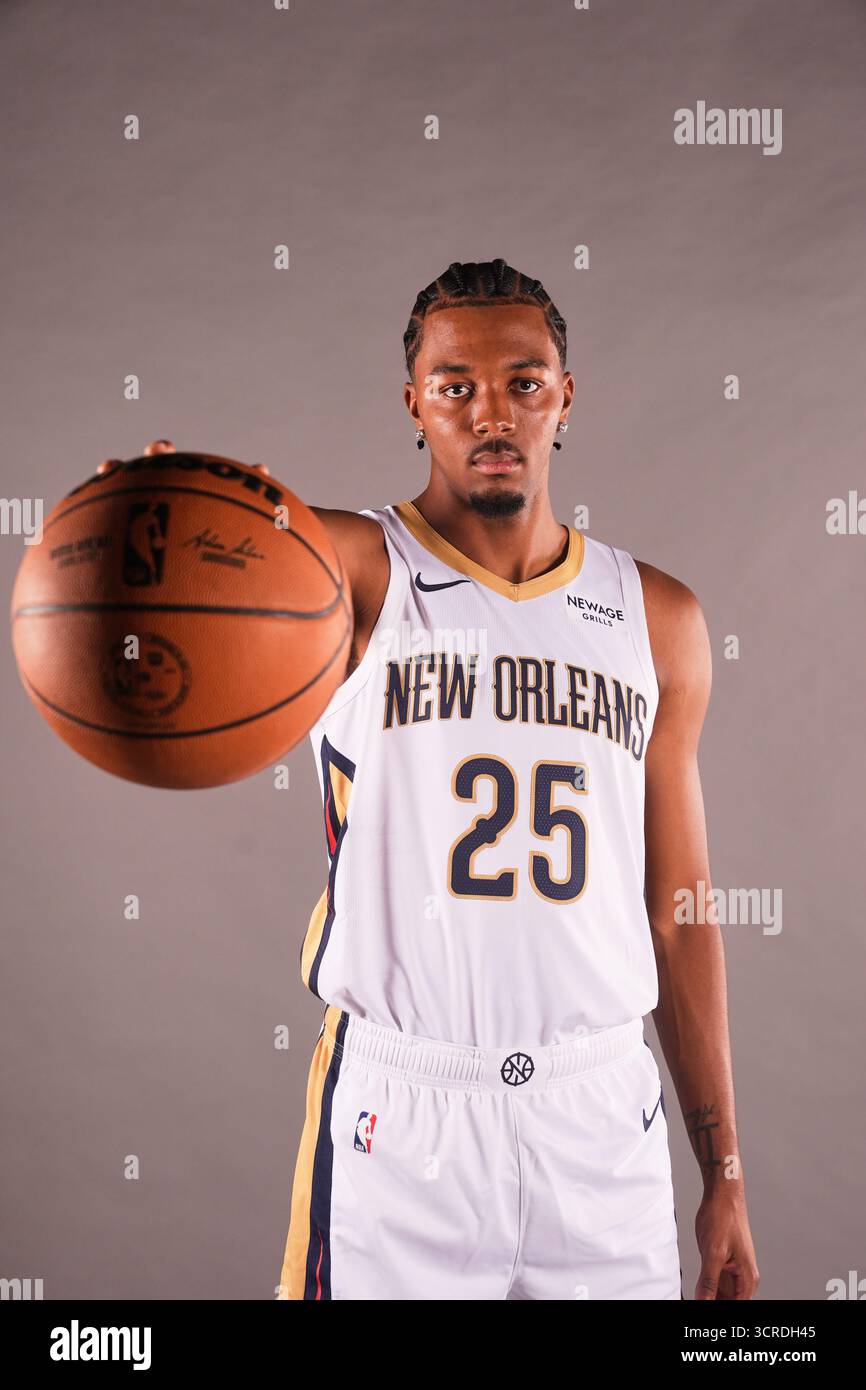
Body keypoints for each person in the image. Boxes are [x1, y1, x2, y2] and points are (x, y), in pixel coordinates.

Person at [270, 258, 757, 1300]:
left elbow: (677, 915)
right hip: (403, 1111)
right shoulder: (354, 572)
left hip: (597, 1120)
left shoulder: (654, 617)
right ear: (413, 405)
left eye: (523, 382)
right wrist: (151, 513)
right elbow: (226, 543)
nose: (490, 412)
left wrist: (720, 1170)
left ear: (564, 399)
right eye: (454, 387)